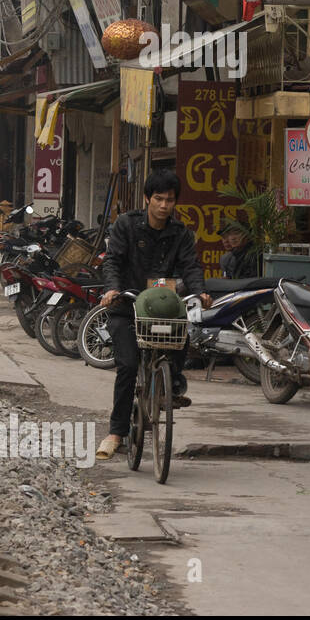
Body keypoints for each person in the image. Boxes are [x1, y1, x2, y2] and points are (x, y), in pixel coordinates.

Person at [94, 169, 210, 460]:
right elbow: (113, 262)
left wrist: (201, 291)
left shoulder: (181, 234)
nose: (163, 205)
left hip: (162, 310)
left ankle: (172, 382)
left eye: (169, 200)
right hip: (127, 306)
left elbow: (191, 266)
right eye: (158, 199)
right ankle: (116, 432)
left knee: (182, 333)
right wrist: (112, 290)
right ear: (147, 199)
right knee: (129, 366)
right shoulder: (126, 225)